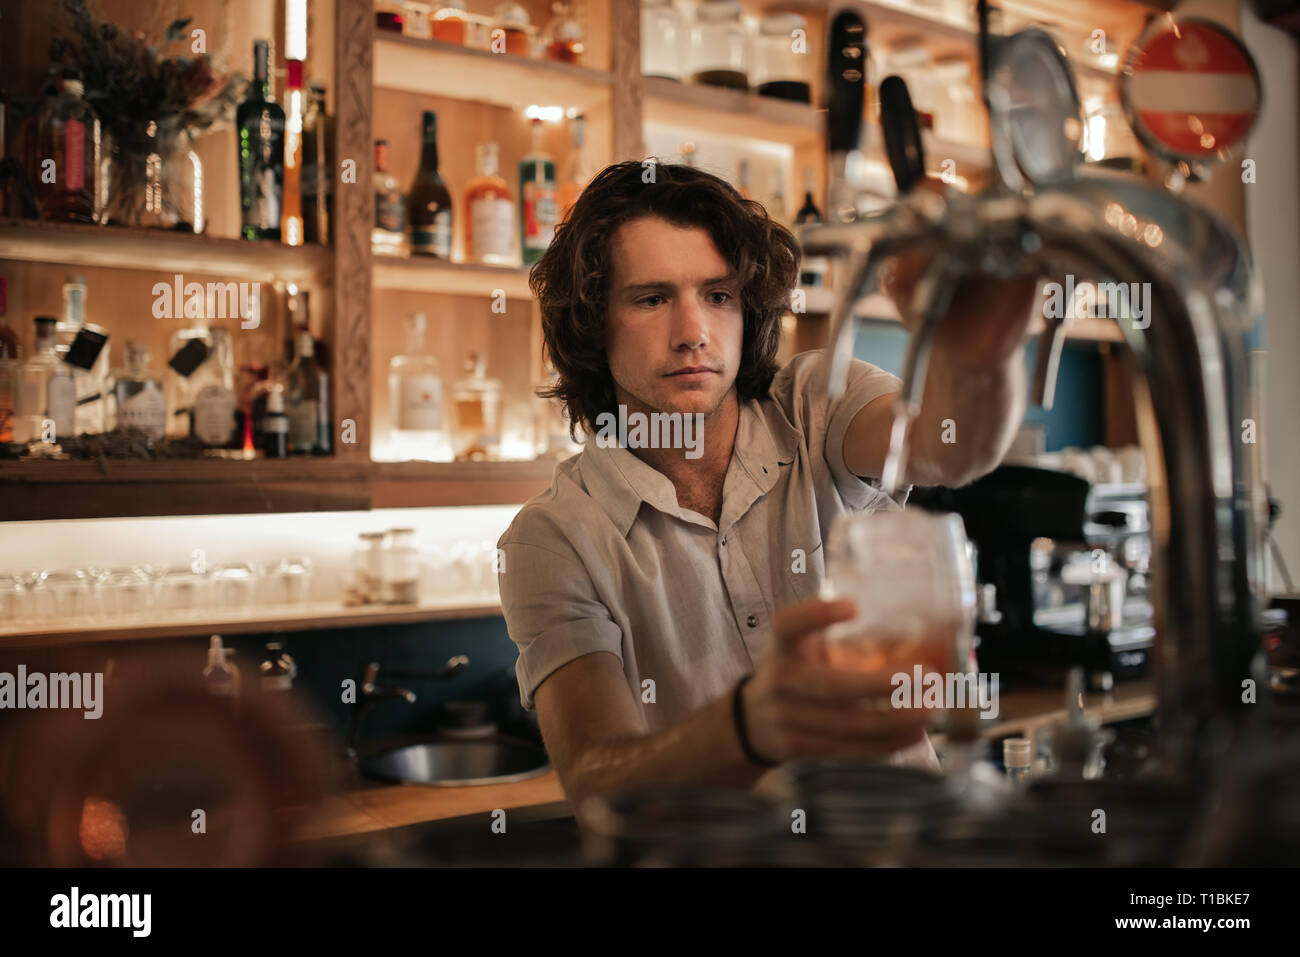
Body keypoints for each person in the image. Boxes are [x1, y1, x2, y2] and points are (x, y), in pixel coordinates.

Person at [497, 160, 1038, 802]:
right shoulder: (551, 540)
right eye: (652, 298)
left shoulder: (816, 402)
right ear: (591, 322)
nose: (693, 333)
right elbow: (596, 782)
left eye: (718, 296)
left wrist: (980, 347)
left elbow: (953, 447)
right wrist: (746, 729)